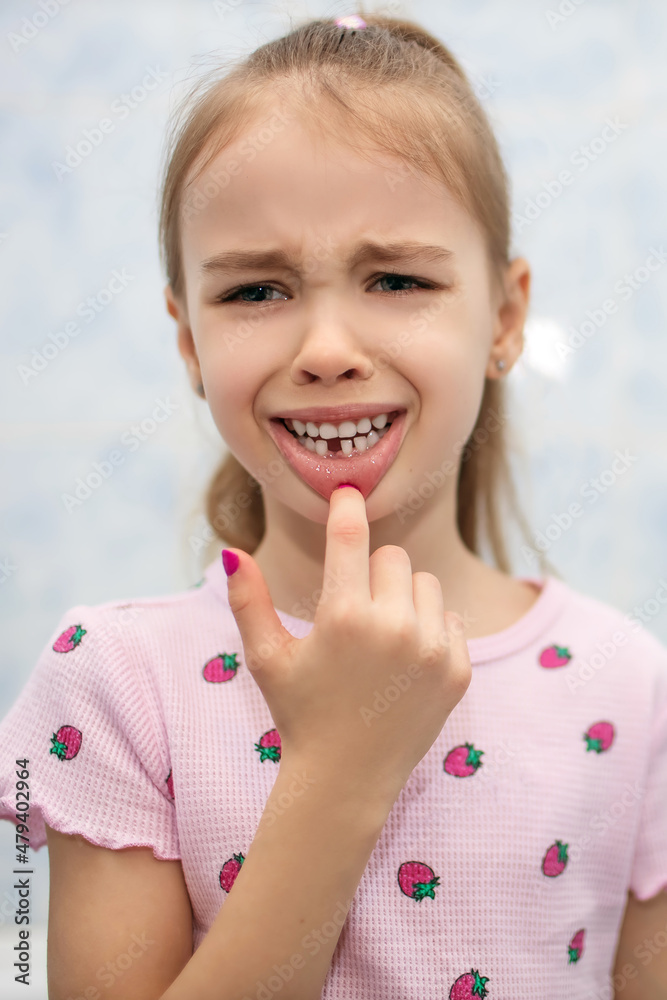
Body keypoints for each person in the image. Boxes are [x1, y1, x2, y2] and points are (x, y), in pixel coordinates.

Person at [1, 11, 665, 1000]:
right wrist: (342, 773)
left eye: (396, 278)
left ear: (506, 317)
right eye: (256, 292)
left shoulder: (631, 690)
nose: (325, 347)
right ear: (188, 342)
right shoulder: (115, 686)